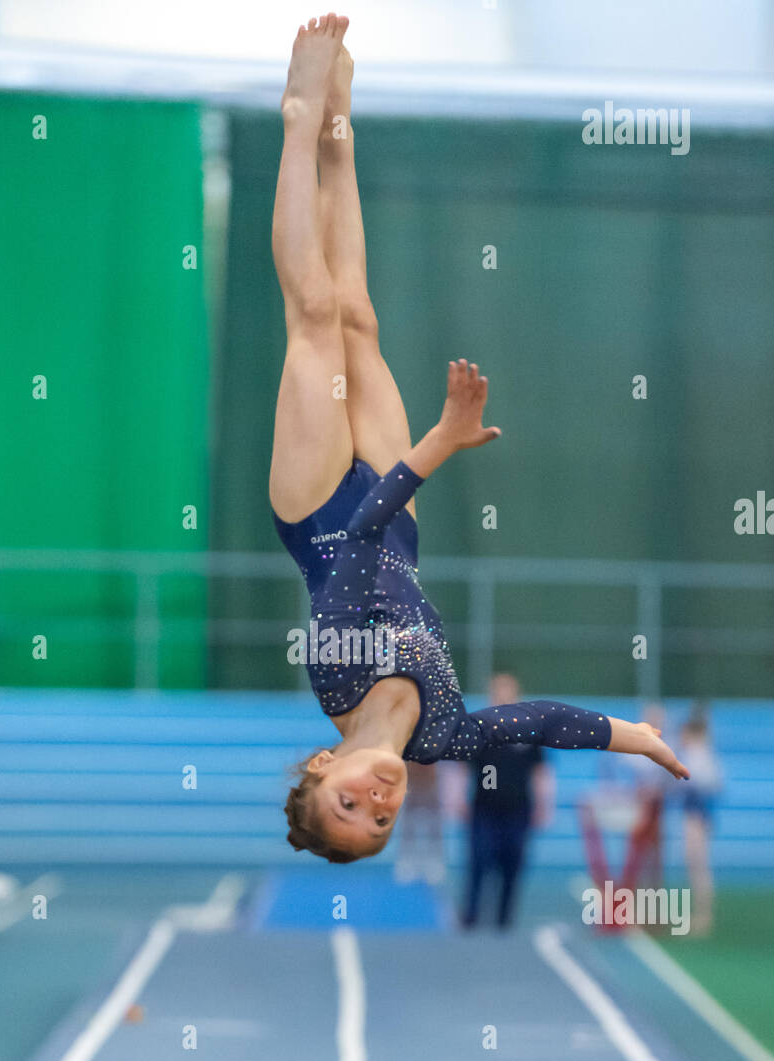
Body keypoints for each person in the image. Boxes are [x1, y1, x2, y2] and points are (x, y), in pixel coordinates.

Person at [270, 15, 689, 864]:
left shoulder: (336, 677)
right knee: (358, 314)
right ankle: (340, 127)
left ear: (322, 764)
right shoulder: (443, 737)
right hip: (400, 516)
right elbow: (537, 721)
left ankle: (295, 118)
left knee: (313, 319)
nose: (378, 802)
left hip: (321, 512)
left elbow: (355, 543)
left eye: (348, 802)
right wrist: (630, 733)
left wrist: (438, 441)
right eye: (378, 822)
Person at [458, 673, 554, 929]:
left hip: (518, 809)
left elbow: (540, 771)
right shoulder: (479, 728)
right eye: (497, 693)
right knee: (479, 860)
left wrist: (544, 805)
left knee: (512, 864)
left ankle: (504, 919)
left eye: (507, 693)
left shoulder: (530, 731)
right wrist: (458, 799)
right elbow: (463, 768)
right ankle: (471, 916)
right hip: (484, 809)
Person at [677, 708, 723, 935]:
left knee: (698, 865)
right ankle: (702, 914)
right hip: (695, 814)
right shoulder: (699, 754)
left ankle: (703, 916)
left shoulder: (699, 755)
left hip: (697, 816)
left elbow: (709, 786)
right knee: (695, 864)